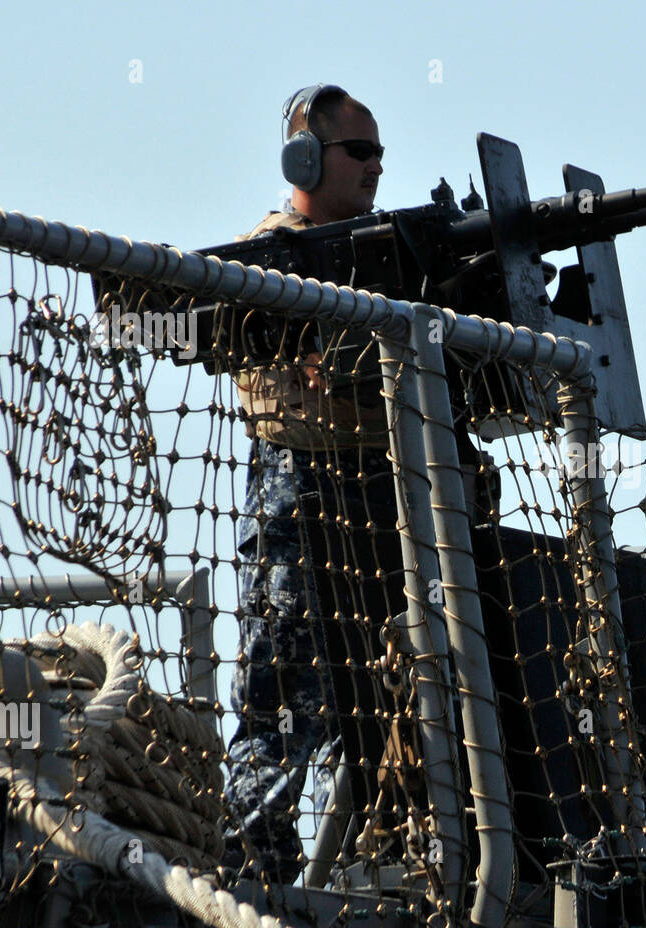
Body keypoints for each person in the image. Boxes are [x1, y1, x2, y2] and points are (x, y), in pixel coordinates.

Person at [221, 84, 402, 884]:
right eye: (358, 152)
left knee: (365, 697)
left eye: (379, 153)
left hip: (375, 493)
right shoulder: (275, 260)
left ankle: (345, 872)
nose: (374, 167)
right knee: (282, 691)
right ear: (306, 157)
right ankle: (254, 870)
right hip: (302, 491)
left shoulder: (376, 252)